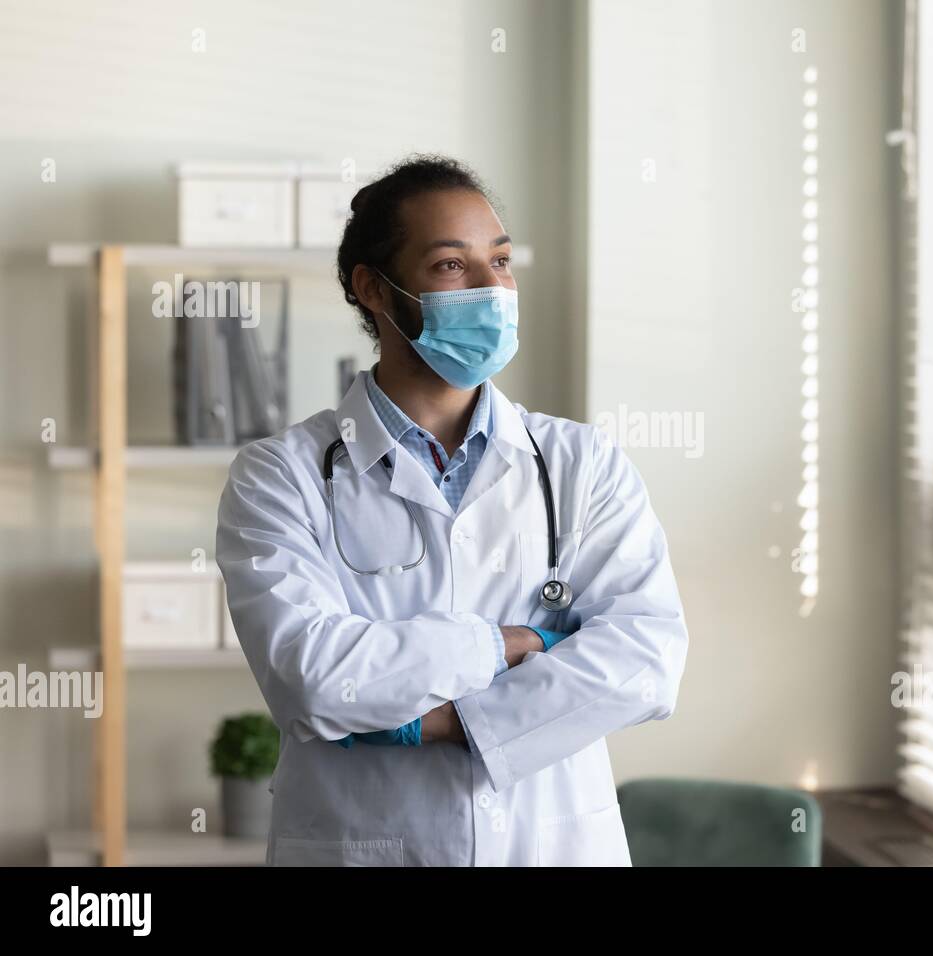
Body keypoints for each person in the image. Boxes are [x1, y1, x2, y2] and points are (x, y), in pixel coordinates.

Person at [215, 154, 689, 866]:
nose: (491, 289)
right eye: (450, 266)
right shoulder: (279, 476)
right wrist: (508, 645)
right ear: (372, 288)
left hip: (551, 844)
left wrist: (439, 722)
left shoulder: (581, 464)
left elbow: (645, 660)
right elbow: (313, 677)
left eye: (500, 261)